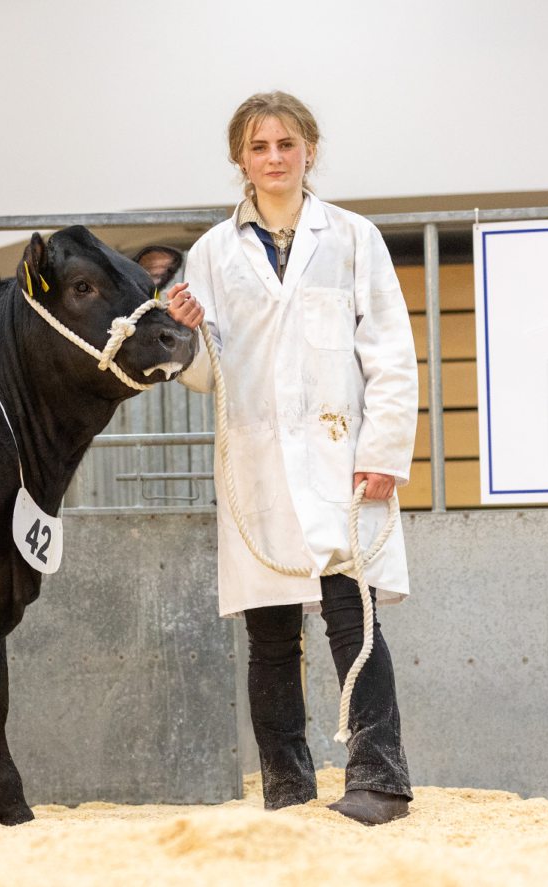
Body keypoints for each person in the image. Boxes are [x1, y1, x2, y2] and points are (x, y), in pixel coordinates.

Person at [165, 91, 418, 825]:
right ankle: (286, 787)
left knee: (354, 615)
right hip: (258, 466)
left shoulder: (351, 237)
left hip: (341, 459)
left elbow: (391, 354)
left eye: (286, 144)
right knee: (270, 630)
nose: (273, 158)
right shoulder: (212, 253)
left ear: (310, 149)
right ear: (239, 159)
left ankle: (381, 778)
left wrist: (385, 452)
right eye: (258, 146)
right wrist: (186, 338)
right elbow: (211, 373)